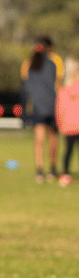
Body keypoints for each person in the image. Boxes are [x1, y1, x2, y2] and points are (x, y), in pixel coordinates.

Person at [21, 35, 63, 183]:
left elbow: (25, 89)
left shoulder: (28, 64)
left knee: (39, 140)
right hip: (52, 107)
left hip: (37, 108)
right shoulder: (54, 63)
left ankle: (39, 171)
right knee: (53, 137)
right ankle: (52, 169)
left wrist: (24, 112)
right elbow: (59, 85)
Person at [54, 56, 79, 186]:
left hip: (68, 126)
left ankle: (65, 173)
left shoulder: (62, 89)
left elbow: (59, 110)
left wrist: (60, 125)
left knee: (68, 151)